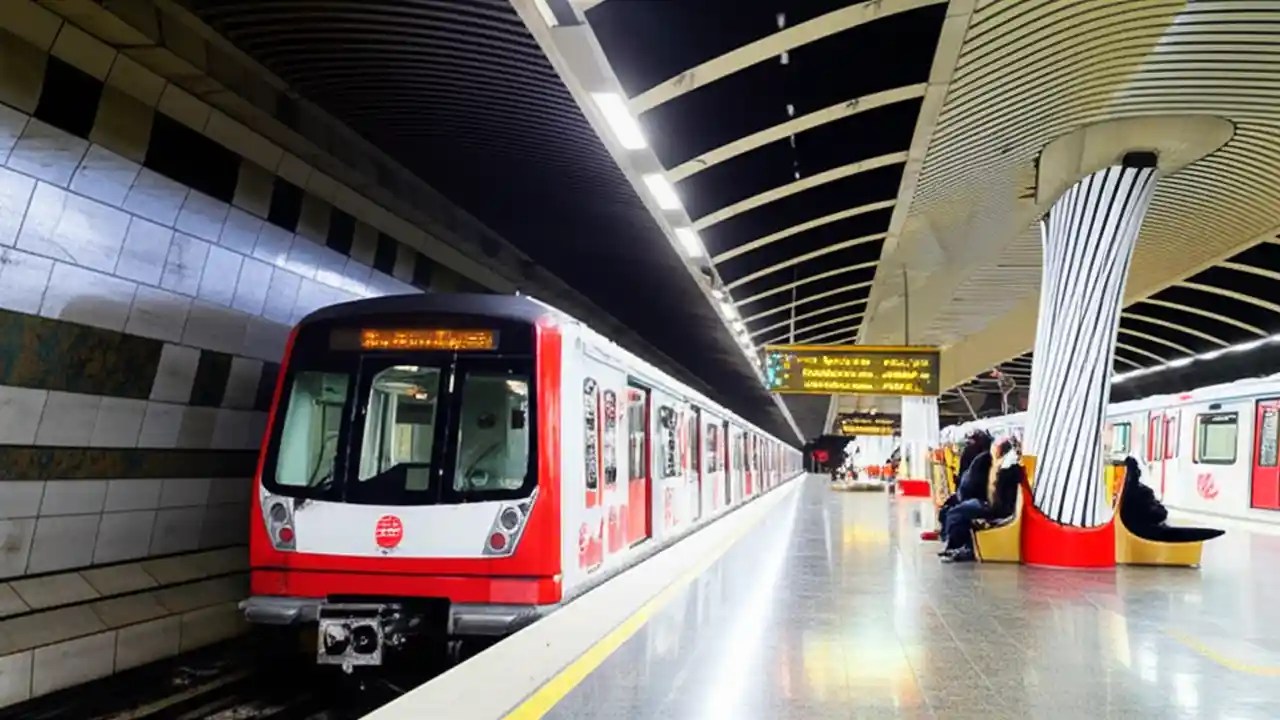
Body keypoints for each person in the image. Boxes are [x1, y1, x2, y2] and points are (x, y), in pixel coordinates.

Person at [941, 438, 1024, 563]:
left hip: (995, 507)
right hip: (983, 501)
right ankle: (956, 545)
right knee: (952, 510)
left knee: (957, 513)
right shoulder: (984, 461)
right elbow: (969, 484)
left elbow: (1001, 496)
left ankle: (959, 547)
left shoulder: (1009, 467)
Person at [1120, 457, 1224, 542]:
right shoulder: (1141, 493)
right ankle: (1216, 533)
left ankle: (1215, 532)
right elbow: (1160, 514)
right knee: (1186, 534)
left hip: (1136, 530)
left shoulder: (1123, 492)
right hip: (1148, 534)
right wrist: (1158, 506)